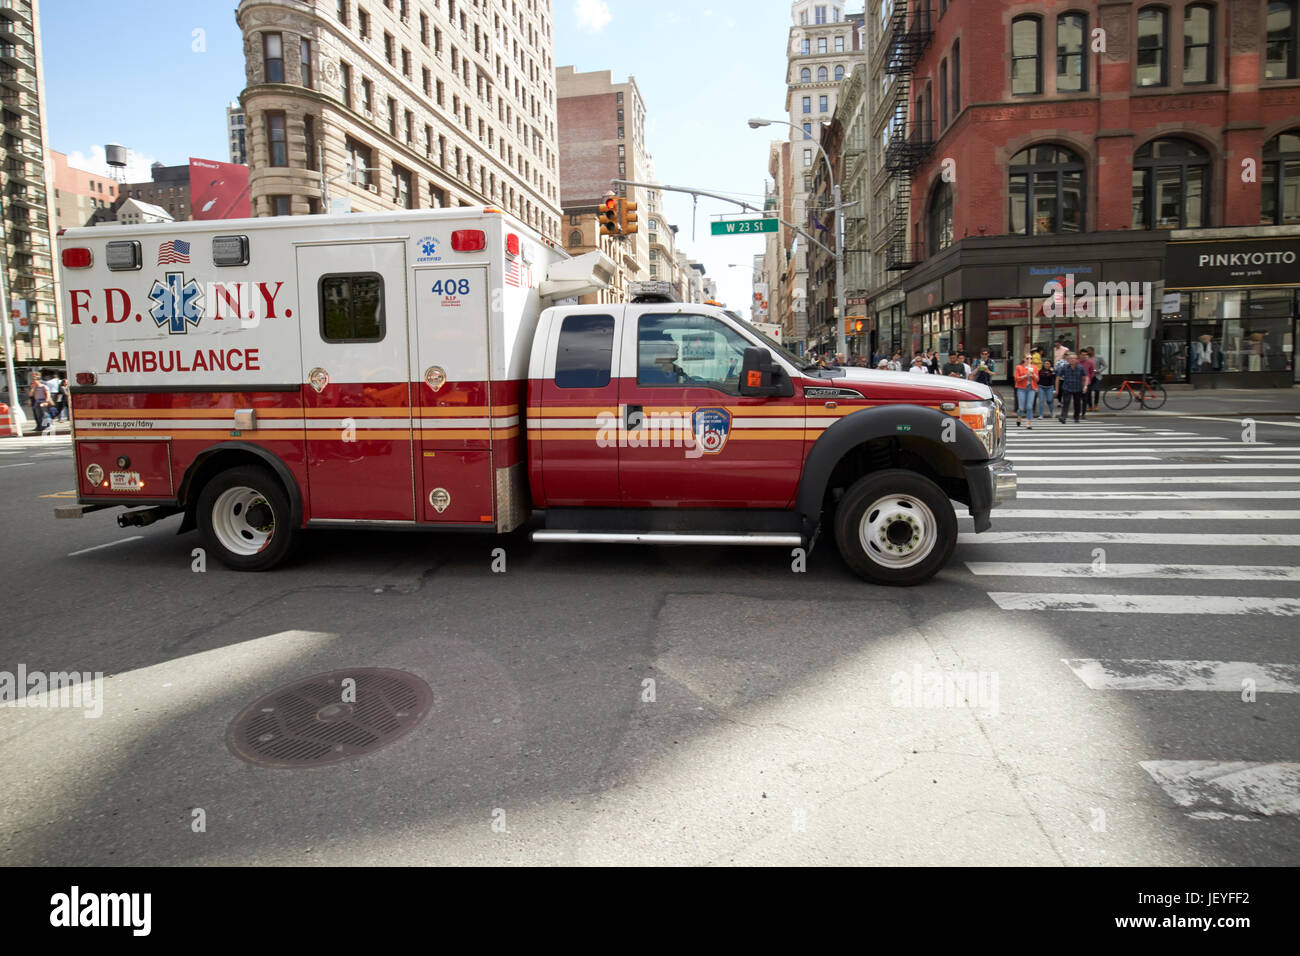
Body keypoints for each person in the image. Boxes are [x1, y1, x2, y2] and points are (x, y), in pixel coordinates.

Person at [1057, 351, 1087, 423]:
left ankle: (1076, 417)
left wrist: (1085, 386)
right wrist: (1057, 389)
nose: (1072, 360)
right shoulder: (1064, 367)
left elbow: (1086, 377)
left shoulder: (1080, 367)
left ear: (1076, 359)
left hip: (1078, 387)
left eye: (1074, 358)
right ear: (1068, 360)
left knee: (1077, 403)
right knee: (1066, 402)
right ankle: (1063, 417)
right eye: (1070, 358)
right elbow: (1058, 377)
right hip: (1067, 387)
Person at [1013, 353, 1038, 428]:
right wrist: (1026, 375)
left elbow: (1037, 380)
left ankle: (1028, 423)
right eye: (1027, 358)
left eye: (1031, 358)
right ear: (1024, 359)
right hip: (1021, 388)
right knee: (1021, 407)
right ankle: (1019, 417)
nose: (1029, 360)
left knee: (1029, 406)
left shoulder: (1034, 367)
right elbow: (1016, 378)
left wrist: (1033, 374)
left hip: (1031, 388)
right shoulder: (1019, 367)